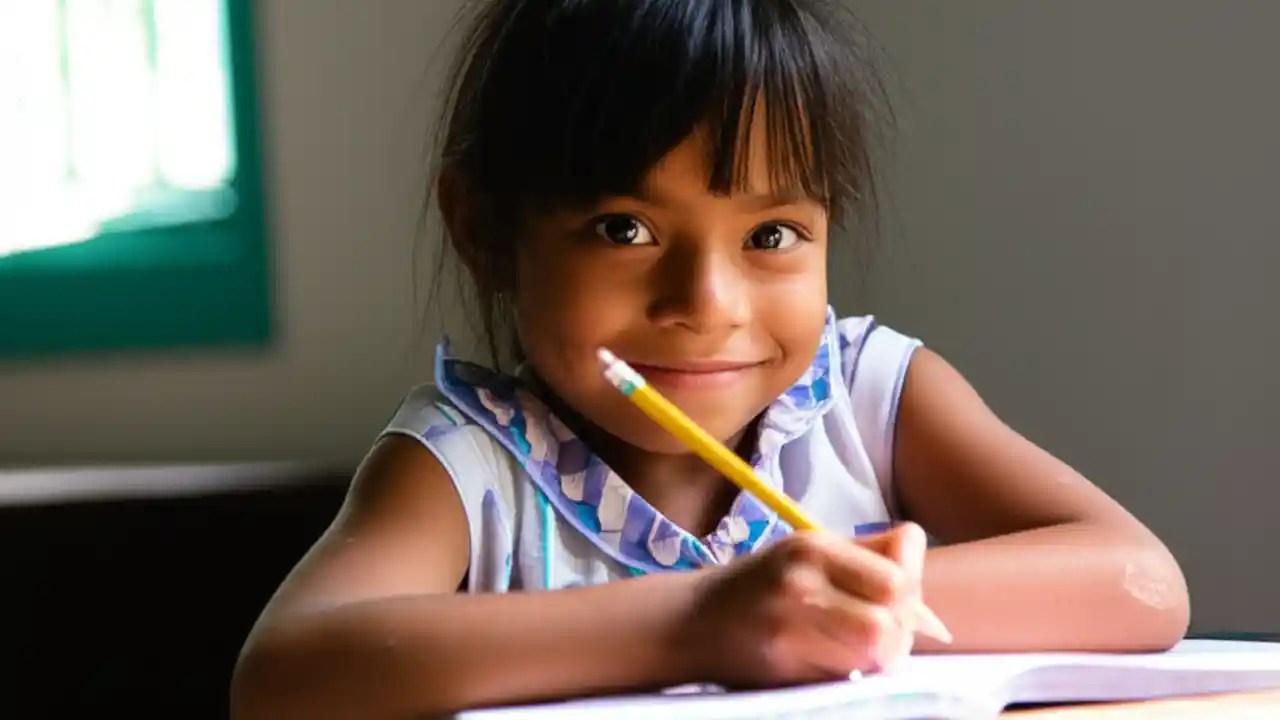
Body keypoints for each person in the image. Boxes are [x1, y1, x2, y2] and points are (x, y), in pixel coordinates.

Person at [231, 1, 1190, 717]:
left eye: (772, 235)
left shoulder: (870, 401)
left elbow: (1140, 582)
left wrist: (836, 607)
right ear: (486, 231)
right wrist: (701, 623)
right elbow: (287, 674)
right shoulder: (466, 464)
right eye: (626, 228)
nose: (707, 305)